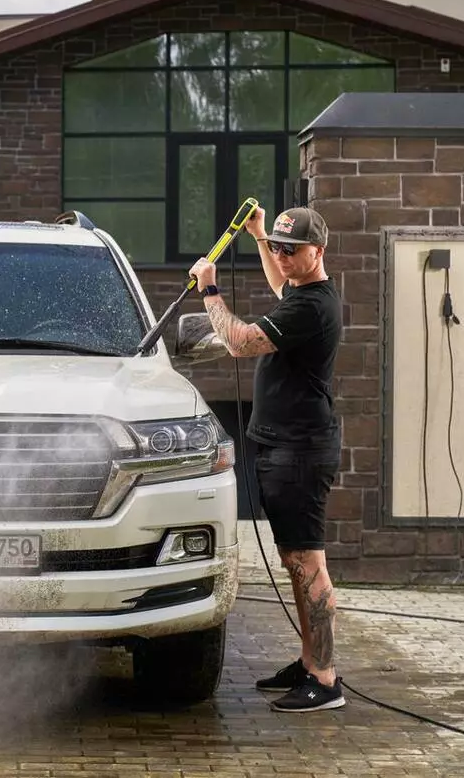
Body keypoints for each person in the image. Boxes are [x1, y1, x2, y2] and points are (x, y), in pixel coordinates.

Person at [187, 206, 345, 713]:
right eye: (278, 246)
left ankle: (324, 679)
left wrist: (209, 288)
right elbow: (282, 287)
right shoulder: (303, 295)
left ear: (318, 251)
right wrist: (258, 238)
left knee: (308, 565)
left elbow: (239, 343)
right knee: (294, 559)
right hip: (283, 445)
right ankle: (307, 662)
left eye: (290, 249)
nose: (282, 256)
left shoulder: (313, 307)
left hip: (300, 452)